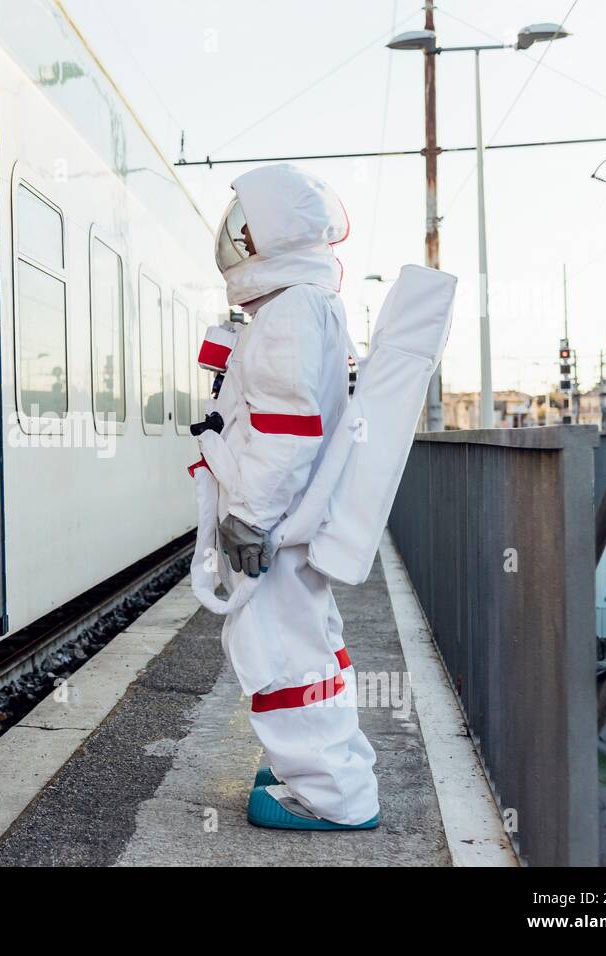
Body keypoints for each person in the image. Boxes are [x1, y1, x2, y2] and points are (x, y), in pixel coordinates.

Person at [205, 163, 380, 830]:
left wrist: (247, 517)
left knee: (277, 652)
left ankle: (332, 798)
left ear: (265, 236)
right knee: (308, 644)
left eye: (245, 225)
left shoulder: (287, 312)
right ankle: (318, 771)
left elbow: (285, 428)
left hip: (274, 525)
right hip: (296, 521)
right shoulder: (309, 303)